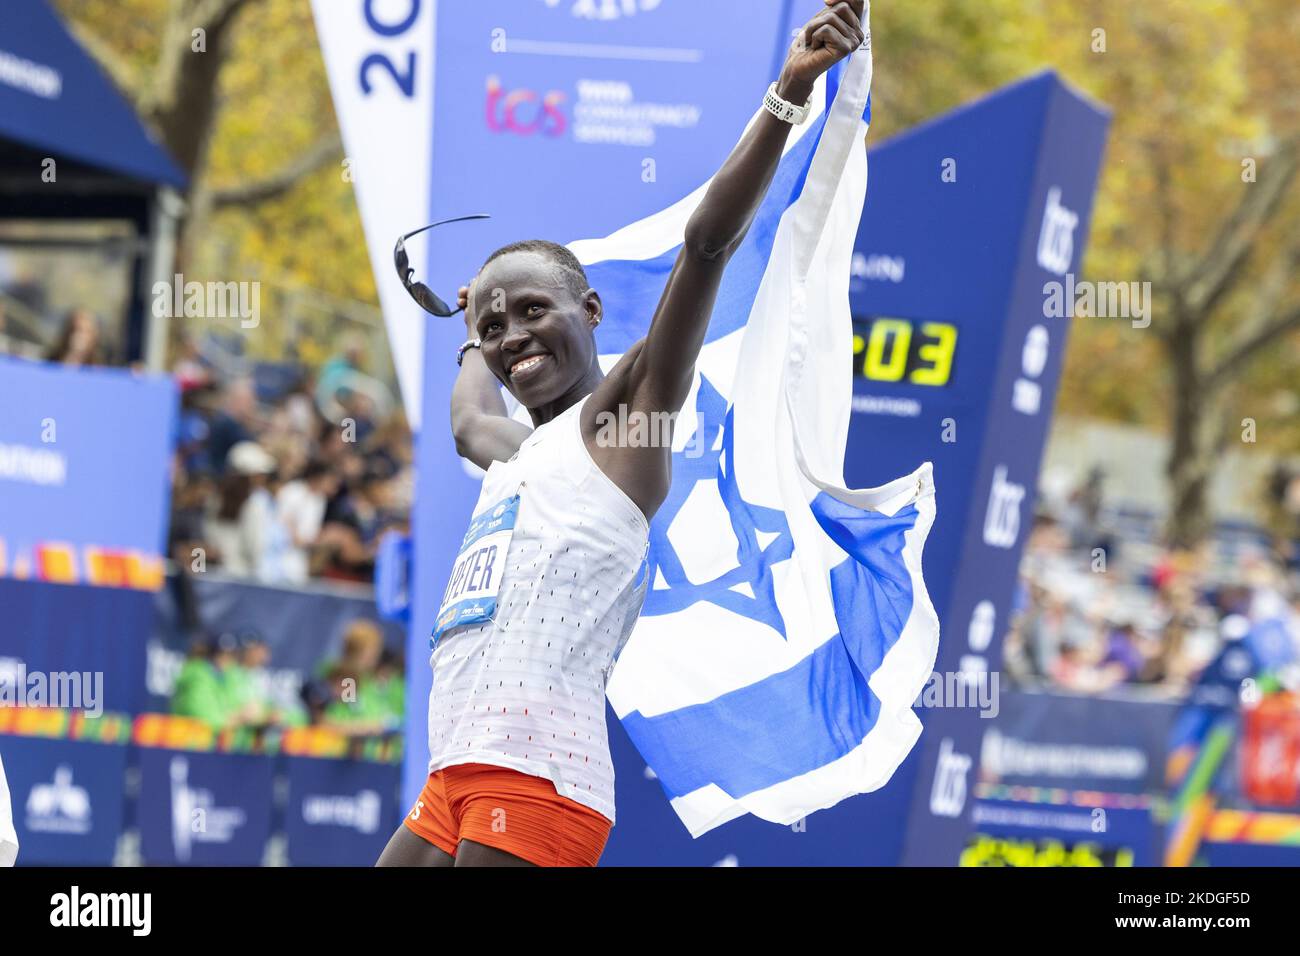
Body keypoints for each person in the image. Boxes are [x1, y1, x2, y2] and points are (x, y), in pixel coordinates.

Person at [377, 0, 868, 868]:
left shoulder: (624, 422)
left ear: (591, 310)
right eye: (498, 329)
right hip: (453, 770)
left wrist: (789, 93)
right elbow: (463, 425)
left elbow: (707, 247)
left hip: (535, 778)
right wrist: (468, 330)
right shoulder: (516, 454)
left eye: (534, 311)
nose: (512, 336)